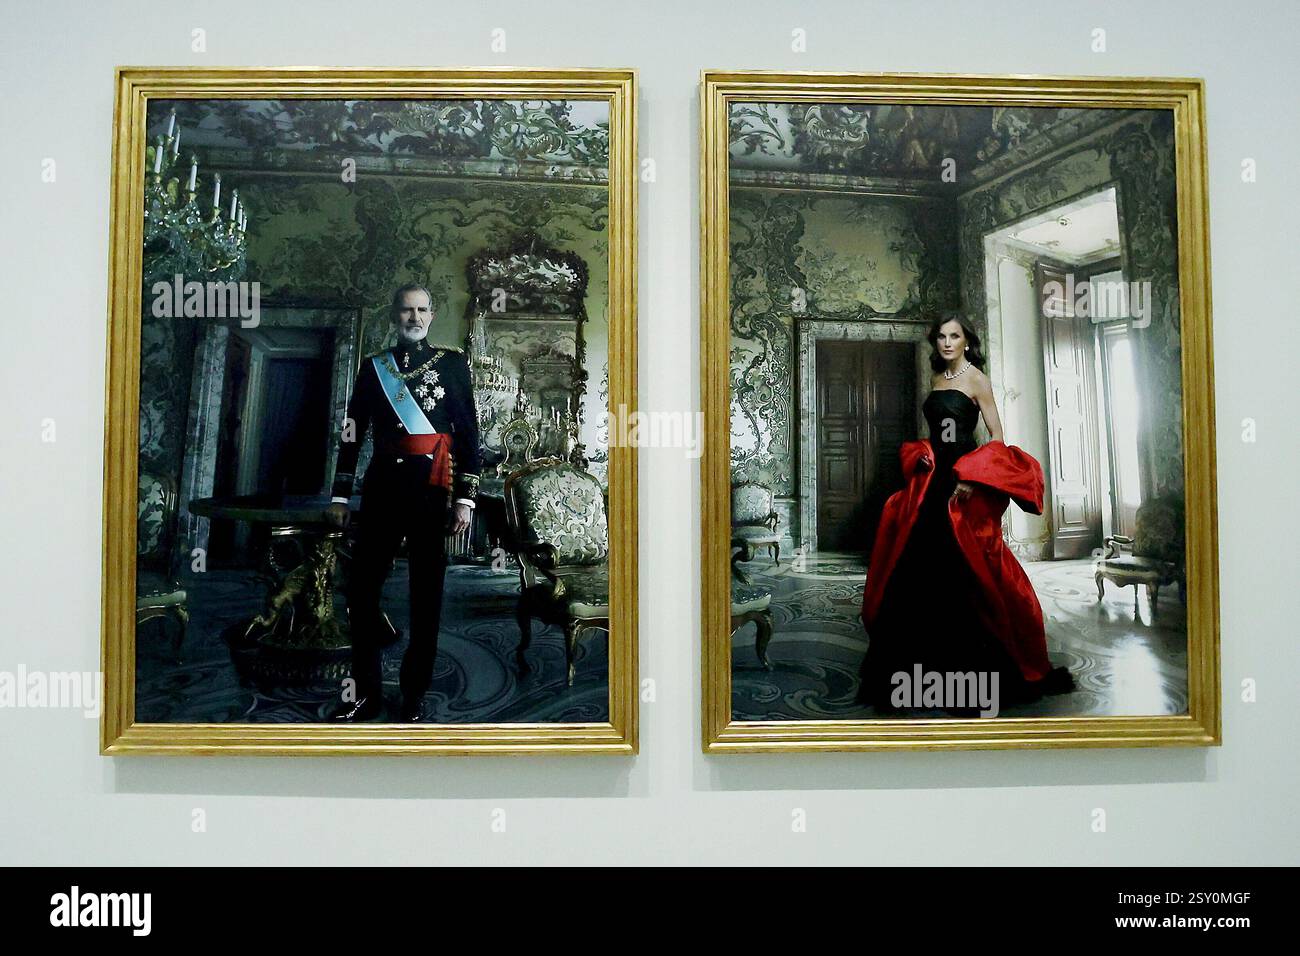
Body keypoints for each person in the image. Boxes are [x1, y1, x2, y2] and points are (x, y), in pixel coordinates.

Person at [857, 315, 1073, 714]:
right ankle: (916, 672)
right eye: (941, 336)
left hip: (961, 480)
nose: (946, 342)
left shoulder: (976, 379)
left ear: (967, 341)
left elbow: (996, 436)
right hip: (931, 477)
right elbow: (941, 433)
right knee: (917, 567)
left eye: (954, 335)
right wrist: (924, 453)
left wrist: (975, 477)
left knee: (965, 567)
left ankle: (970, 673)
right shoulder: (938, 379)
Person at [325, 284, 480, 722]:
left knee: (426, 596)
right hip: (381, 491)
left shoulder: (452, 364)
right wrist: (340, 492)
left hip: (433, 492)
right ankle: (363, 693)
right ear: (395, 316)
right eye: (406, 310)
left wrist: (465, 499)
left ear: (432, 316)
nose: (414, 317)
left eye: (422, 310)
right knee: (361, 593)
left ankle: (414, 693)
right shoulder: (375, 368)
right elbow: (352, 431)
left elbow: (469, 436)